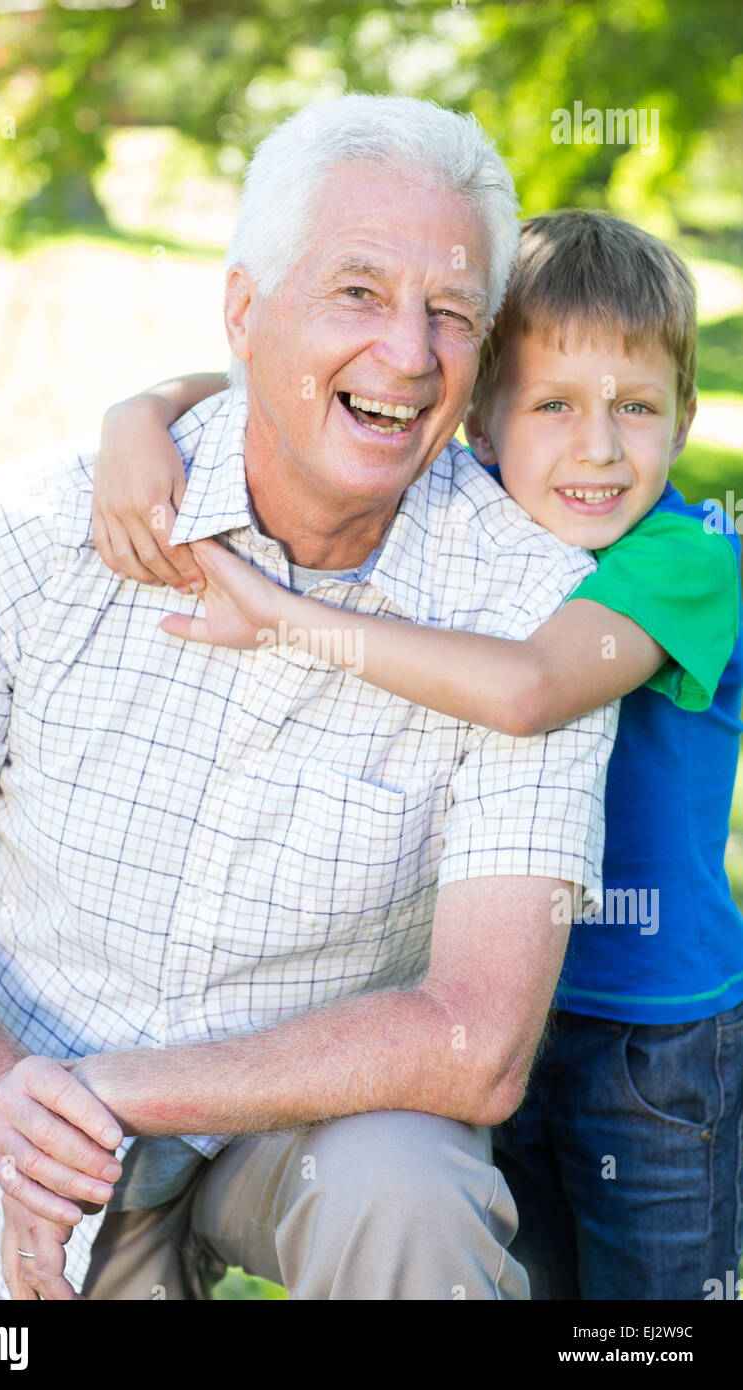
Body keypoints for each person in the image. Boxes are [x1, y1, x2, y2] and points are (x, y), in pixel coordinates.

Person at [0, 95, 617, 1302]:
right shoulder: (38, 532)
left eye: (449, 314)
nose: (408, 354)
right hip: (47, 1099)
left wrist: (121, 1083)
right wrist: (2, 1093)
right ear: (241, 311)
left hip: (318, 1109)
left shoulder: (536, 617)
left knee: (410, 1197)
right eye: (356, 293)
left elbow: (475, 1045)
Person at [92, 209, 743, 1300]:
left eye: (635, 408)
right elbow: (277, 390)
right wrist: (139, 413)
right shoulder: (472, 517)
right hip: (476, 1016)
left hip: (647, 1043)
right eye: (552, 406)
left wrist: (285, 620)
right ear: (476, 422)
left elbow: (526, 689)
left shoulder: (686, 558)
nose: (596, 447)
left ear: (682, 418)